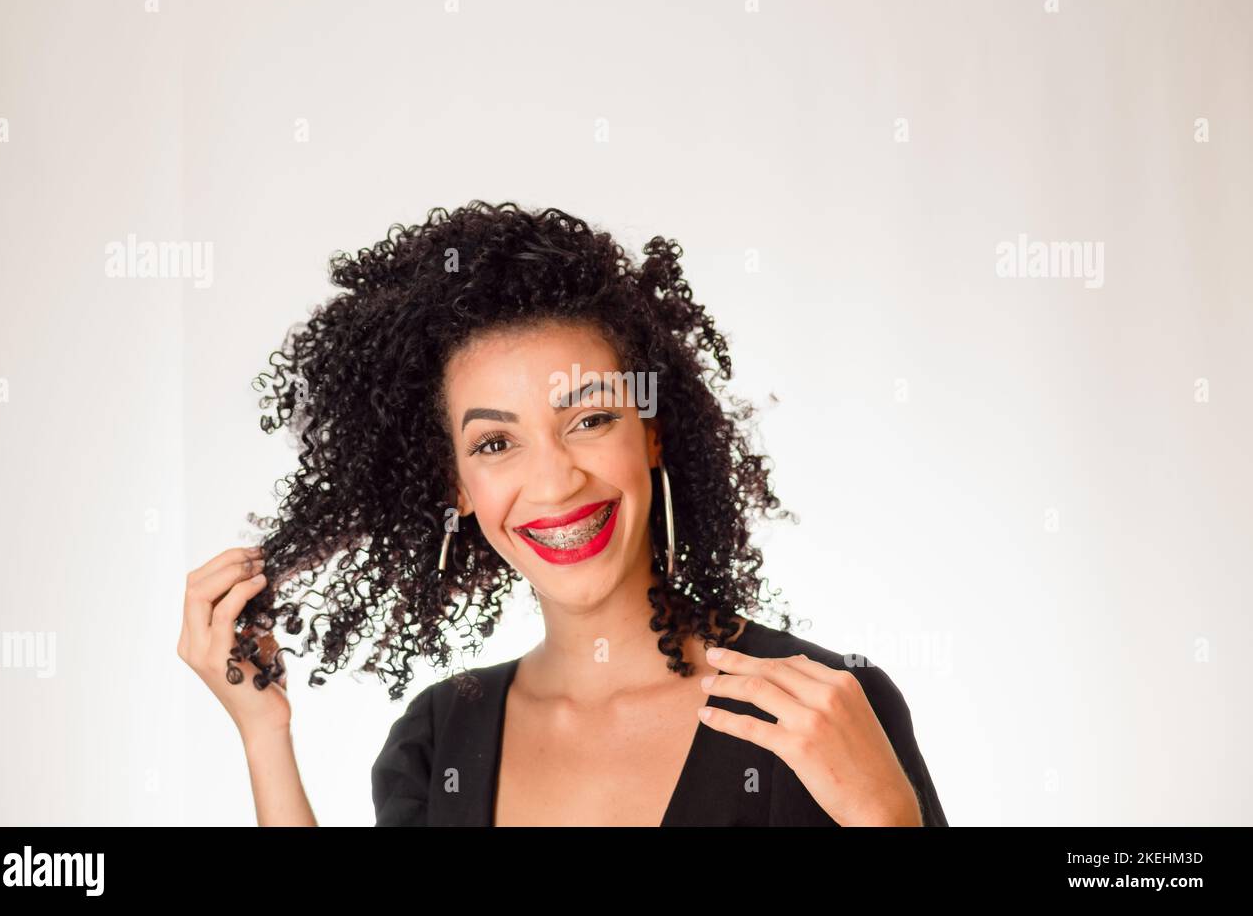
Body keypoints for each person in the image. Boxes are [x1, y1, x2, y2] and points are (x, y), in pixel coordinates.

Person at [177, 200, 948, 826]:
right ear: (454, 486)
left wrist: (886, 816)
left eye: (589, 419)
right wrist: (264, 733)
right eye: (495, 443)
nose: (553, 482)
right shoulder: (441, 737)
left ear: (651, 431)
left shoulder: (819, 707)